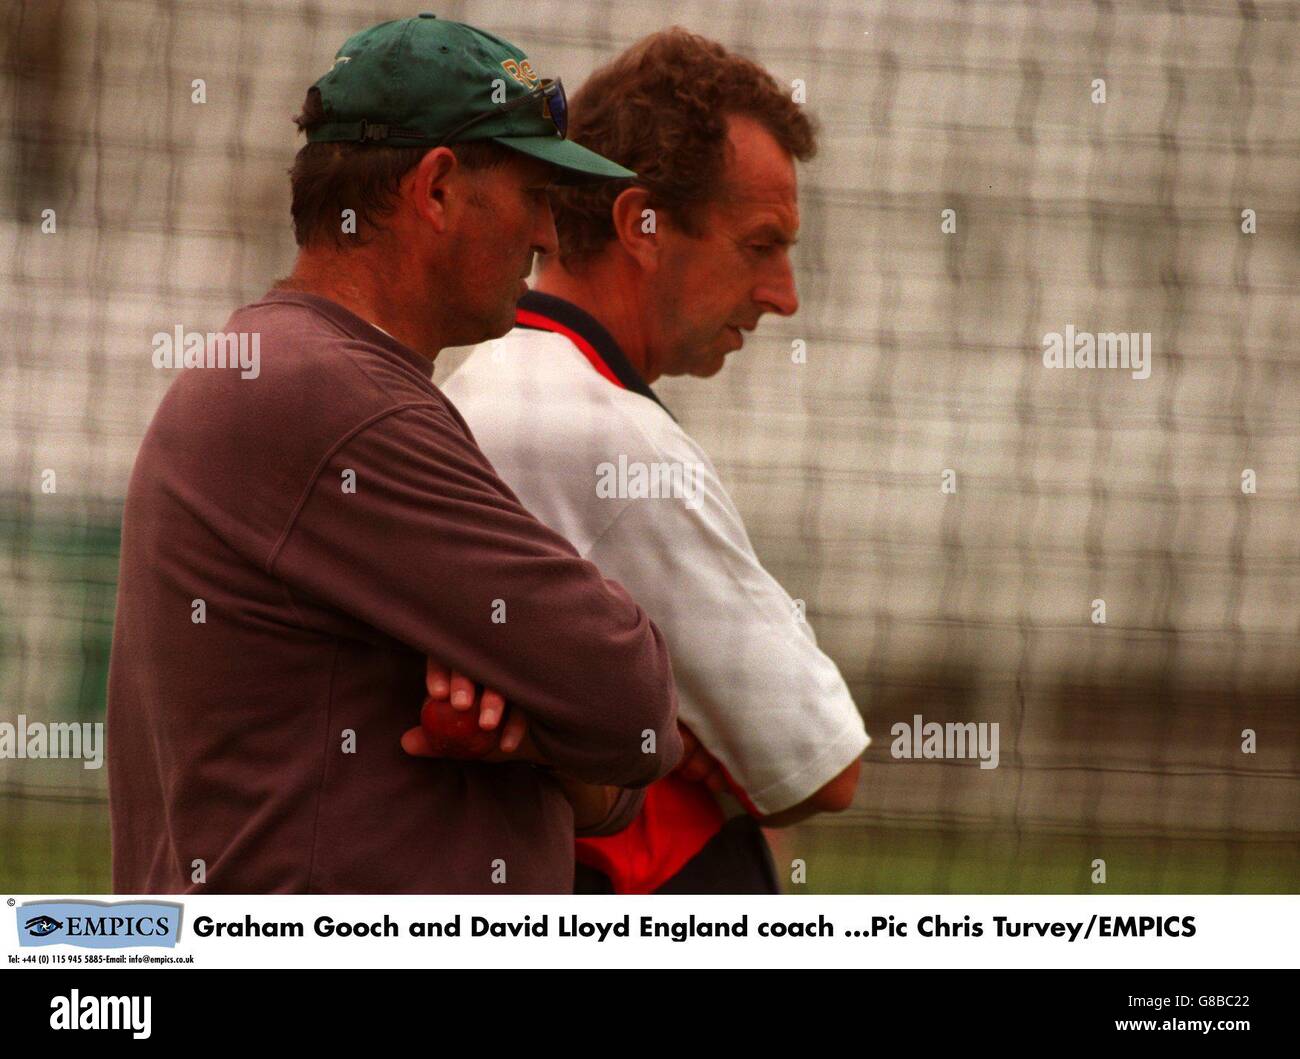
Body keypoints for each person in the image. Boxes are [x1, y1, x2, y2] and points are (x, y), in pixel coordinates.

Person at [106, 14, 682, 895]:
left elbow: (619, 774)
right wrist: (567, 720)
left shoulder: (304, 370)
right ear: (439, 188)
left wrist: (531, 736)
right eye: (534, 195)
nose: (550, 240)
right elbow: (632, 689)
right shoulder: (337, 400)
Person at [442, 27, 868, 894]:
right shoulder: (602, 436)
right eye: (760, 244)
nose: (784, 295)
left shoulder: (491, 377)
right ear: (640, 221)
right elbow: (820, 766)